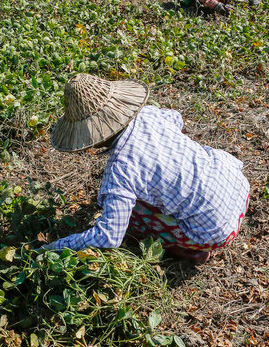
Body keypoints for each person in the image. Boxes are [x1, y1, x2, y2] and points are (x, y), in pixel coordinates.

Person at [44, 74, 250, 265]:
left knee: (133, 216)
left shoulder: (121, 169)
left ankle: (188, 250)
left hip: (215, 232)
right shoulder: (148, 114)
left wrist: (54, 248)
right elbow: (176, 119)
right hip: (238, 187)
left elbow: (108, 237)